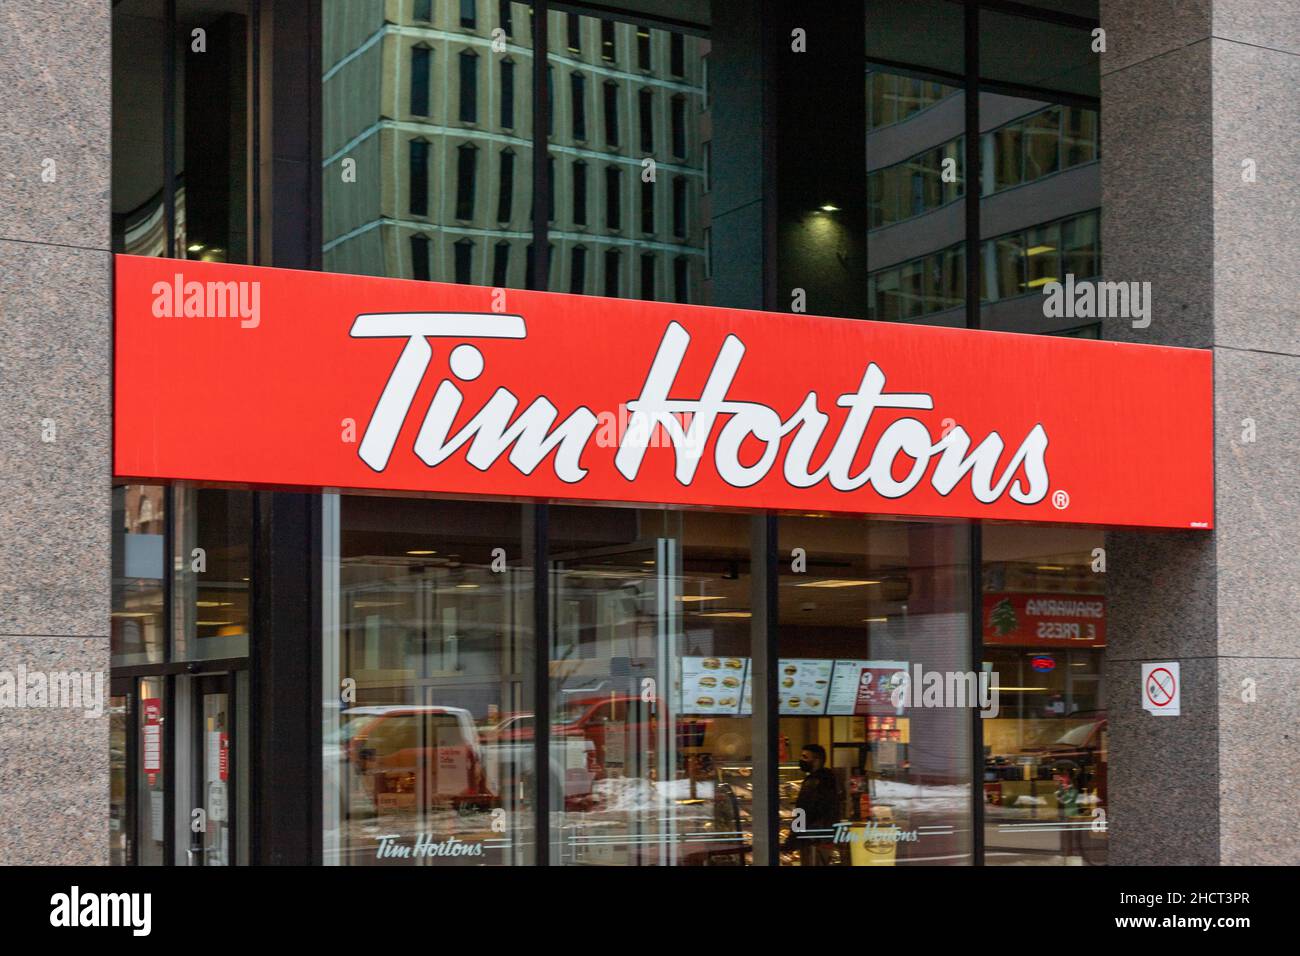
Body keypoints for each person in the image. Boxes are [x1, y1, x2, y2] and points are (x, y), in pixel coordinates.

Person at [785, 743, 839, 866]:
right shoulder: (830, 779)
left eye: (805, 757)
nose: (801, 760)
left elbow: (804, 810)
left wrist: (793, 838)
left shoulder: (813, 782)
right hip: (825, 836)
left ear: (817, 760)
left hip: (812, 838)